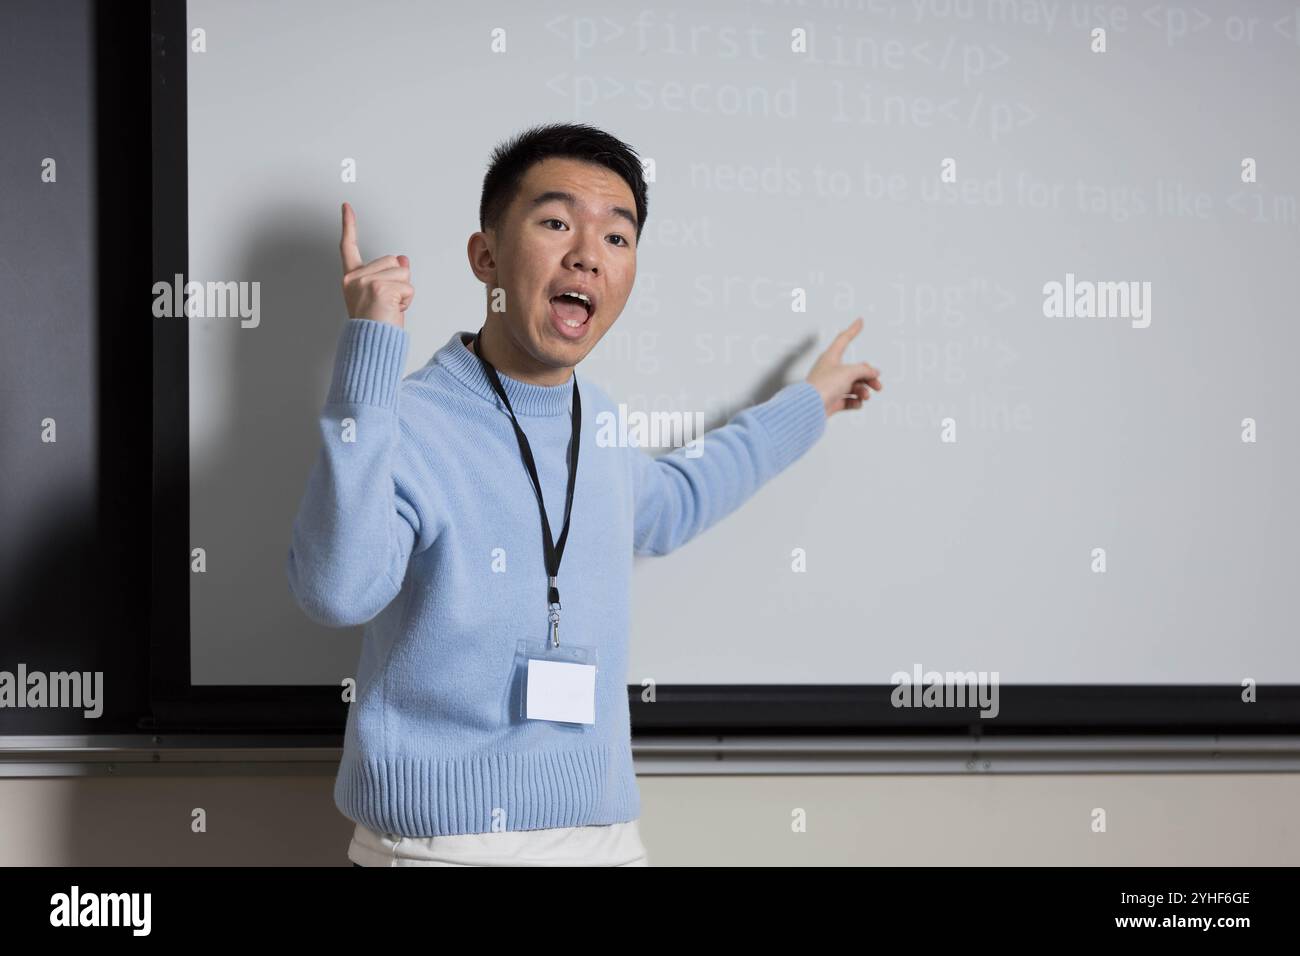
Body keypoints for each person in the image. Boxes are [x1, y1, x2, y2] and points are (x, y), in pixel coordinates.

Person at [286, 122, 882, 867]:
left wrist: (810, 402)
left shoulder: (595, 417)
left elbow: (676, 499)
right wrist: (370, 353)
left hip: (604, 839)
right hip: (443, 847)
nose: (587, 255)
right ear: (487, 256)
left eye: (617, 238)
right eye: (556, 222)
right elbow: (337, 590)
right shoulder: (403, 418)